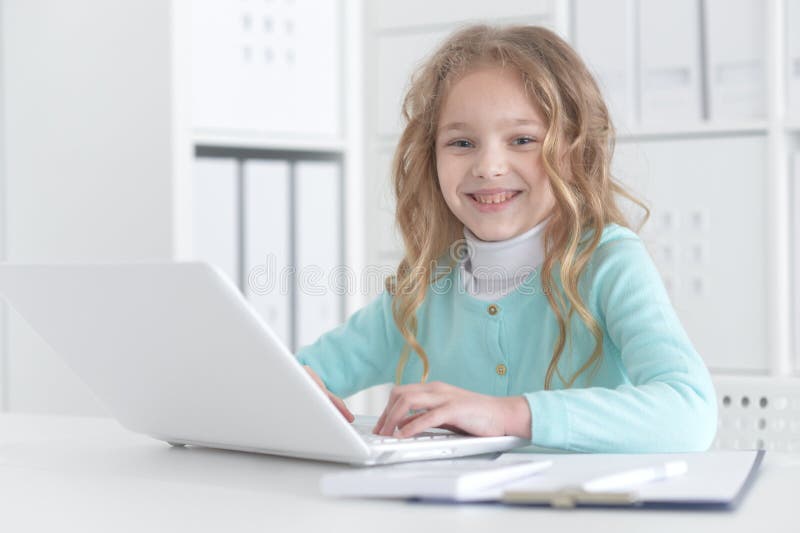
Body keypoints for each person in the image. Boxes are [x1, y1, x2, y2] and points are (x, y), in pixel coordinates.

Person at [296, 24, 717, 452]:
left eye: (522, 140)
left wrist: (507, 414)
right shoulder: (422, 291)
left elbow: (690, 414)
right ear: (431, 156)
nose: (489, 167)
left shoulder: (608, 263)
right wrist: (296, 393)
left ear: (574, 151)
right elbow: (300, 375)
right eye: (462, 142)